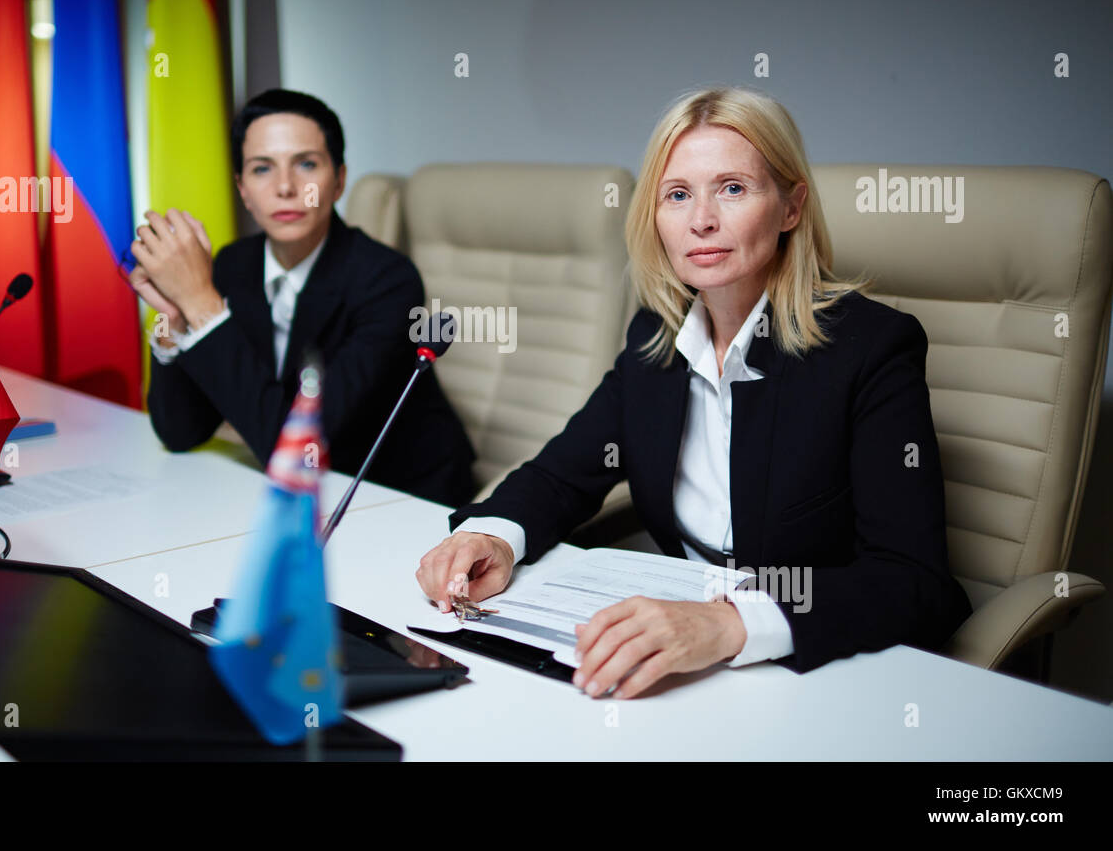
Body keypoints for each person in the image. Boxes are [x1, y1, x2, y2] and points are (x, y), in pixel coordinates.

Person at [415, 87, 972, 696]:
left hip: (819, 668)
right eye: (677, 195)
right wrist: (490, 535)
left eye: (732, 188)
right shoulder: (657, 336)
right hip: (685, 665)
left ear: (790, 207)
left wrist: (730, 623)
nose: (701, 219)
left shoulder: (871, 348)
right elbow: (562, 475)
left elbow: (912, 581)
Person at [127, 88, 476, 507]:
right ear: (242, 189)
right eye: (261, 169)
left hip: (397, 500)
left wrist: (201, 303)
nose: (286, 187)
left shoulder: (390, 281)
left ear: (339, 181)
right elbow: (180, 433)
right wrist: (175, 321)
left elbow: (298, 448)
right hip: (295, 498)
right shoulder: (234, 265)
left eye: (306, 164)